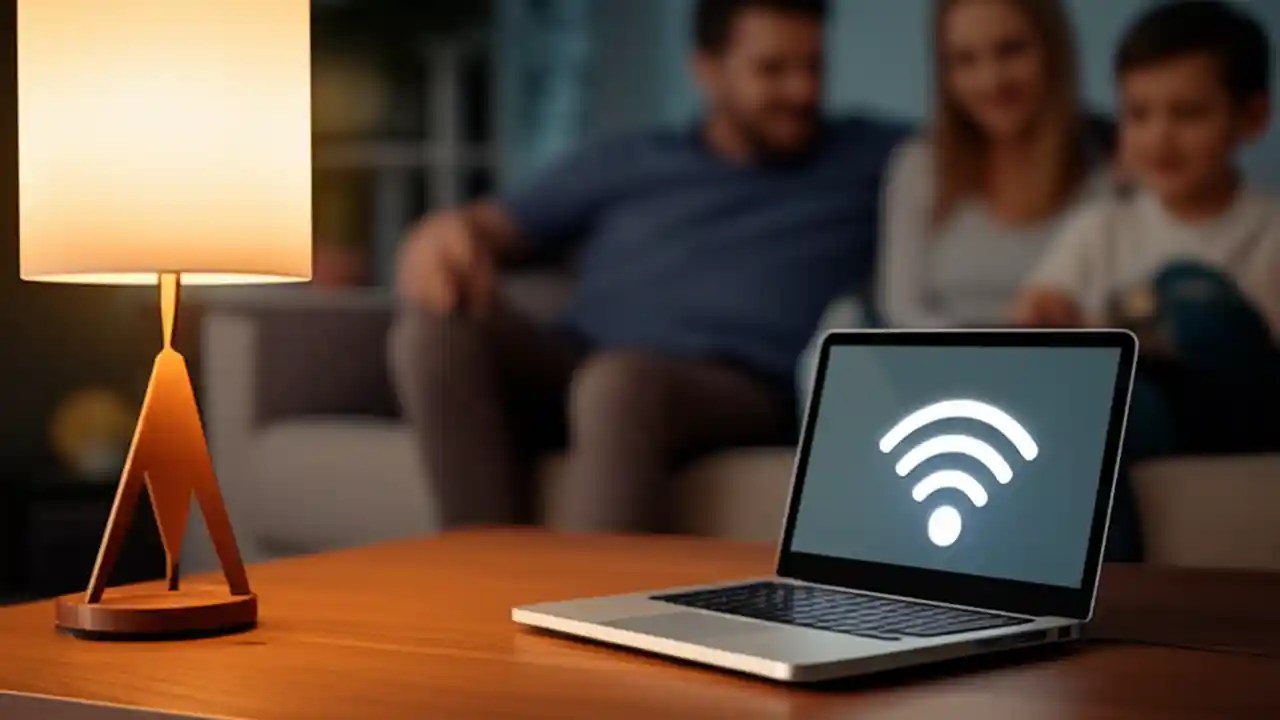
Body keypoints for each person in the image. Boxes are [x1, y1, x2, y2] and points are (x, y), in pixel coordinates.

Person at [390, 0, 904, 532]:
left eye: (813, 66)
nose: (801, 91)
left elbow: (974, 165)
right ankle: (477, 574)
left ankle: (587, 611)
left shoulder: (871, 158)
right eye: (772, 70)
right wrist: (442, 232)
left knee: (620, 384)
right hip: (580, 361)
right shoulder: (629, 158)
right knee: (437, 335)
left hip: (740, 384)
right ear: (707, 69)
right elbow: (491, 225)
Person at [1015, 0, 1280, 559]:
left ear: (1252, 118)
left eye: (1187, 114)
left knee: (1189, 291)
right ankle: (1109, 582)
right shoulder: (1102, 226)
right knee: (1102, 395)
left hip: (1238, 406)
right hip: (1143, 404)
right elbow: (1038, 307)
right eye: (1139, 115)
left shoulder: (1270, 227)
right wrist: (1049, 313)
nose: (1160, 138)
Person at [877, 0, 1110, 329]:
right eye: (964, 60)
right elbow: (900, 309)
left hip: (1063, 365)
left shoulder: (1105, 164)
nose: (991, 81)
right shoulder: (920, 165)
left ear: (1053, 51)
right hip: (944, 368)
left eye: (1011, 50)